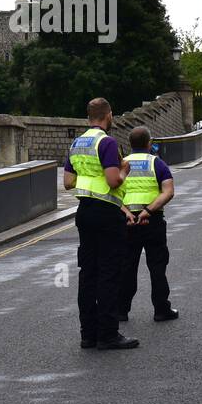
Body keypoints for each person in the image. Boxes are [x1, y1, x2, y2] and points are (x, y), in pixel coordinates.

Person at [63, 98, 137, 351]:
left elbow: (68, 182)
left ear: (88, 117)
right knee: (109, 273)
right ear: (108, 115)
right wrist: (124, 169)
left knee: (88, 274)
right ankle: (108, 334)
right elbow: (113, 180)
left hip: (84, 212)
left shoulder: (76, 144)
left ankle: (88, 334)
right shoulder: (106, 142)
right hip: (107, 214)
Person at [116, 126, 177, 324]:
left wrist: (127, 213)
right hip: (152, 220)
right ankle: (161, 309)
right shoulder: (157, 163)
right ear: (149, 144)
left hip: (127, 222)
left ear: (129, 144)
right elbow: (168, 192)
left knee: (127, 266)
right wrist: (148, 211)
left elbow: (112, 193)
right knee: (157, 266)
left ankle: (121, 311)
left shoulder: (121, 165)